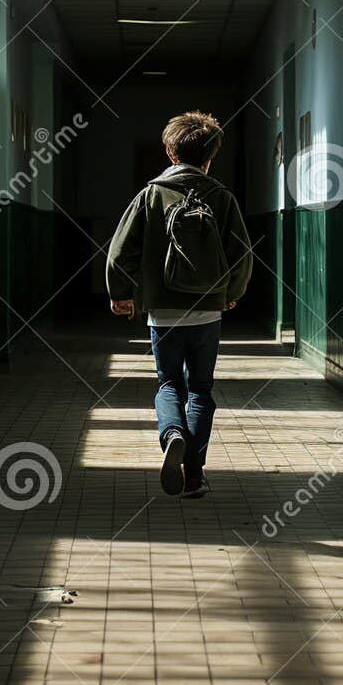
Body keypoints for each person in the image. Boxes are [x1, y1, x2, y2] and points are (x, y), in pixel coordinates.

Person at [105, 110, 253, 498]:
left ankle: (172, 434)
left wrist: (121, 294)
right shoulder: (221, 198)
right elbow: (242, 254)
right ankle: (193, 475)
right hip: (207, 312)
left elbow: (121, 251)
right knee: (201, 390)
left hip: (163, 312)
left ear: (170, 152)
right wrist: (231, 293)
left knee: (169, 383)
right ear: (211, 155)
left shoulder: (150, 195)